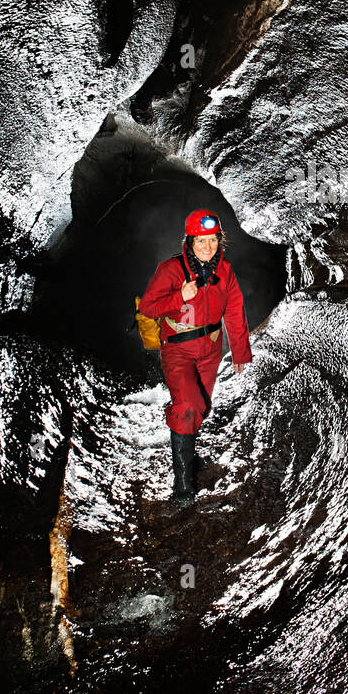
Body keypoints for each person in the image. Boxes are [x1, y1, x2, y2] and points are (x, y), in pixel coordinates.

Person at [138, 209, 252, 503]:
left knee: (202, 406)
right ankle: (183, 488)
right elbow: (149, 307)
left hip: (210, 350)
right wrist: (180, 297)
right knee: (187, 406)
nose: (207, 246)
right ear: (189, 242)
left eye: (212, 240)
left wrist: (239, 351)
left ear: (219, 241)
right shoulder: (170, 270)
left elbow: (235, 311)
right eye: (200, 241)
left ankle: (187, 451)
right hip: (178, 349)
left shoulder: (224, 270)